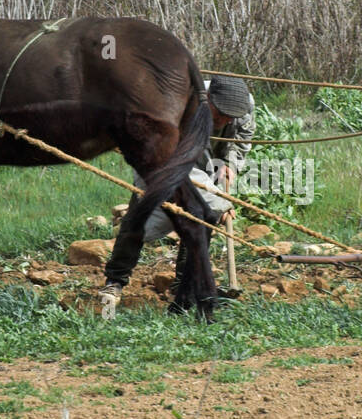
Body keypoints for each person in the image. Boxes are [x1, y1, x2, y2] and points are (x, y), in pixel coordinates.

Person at [99, 76, 254, 311]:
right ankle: (115, 281)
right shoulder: (174, 107)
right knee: (137, 221)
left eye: (230, 117)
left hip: (210, 163)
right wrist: (217, 200)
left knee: (204, 220)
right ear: (207, 99)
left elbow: (242, 137)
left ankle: (185, 288)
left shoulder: (243, 105)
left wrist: (229, 164)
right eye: (220, 113)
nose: (225, 120)